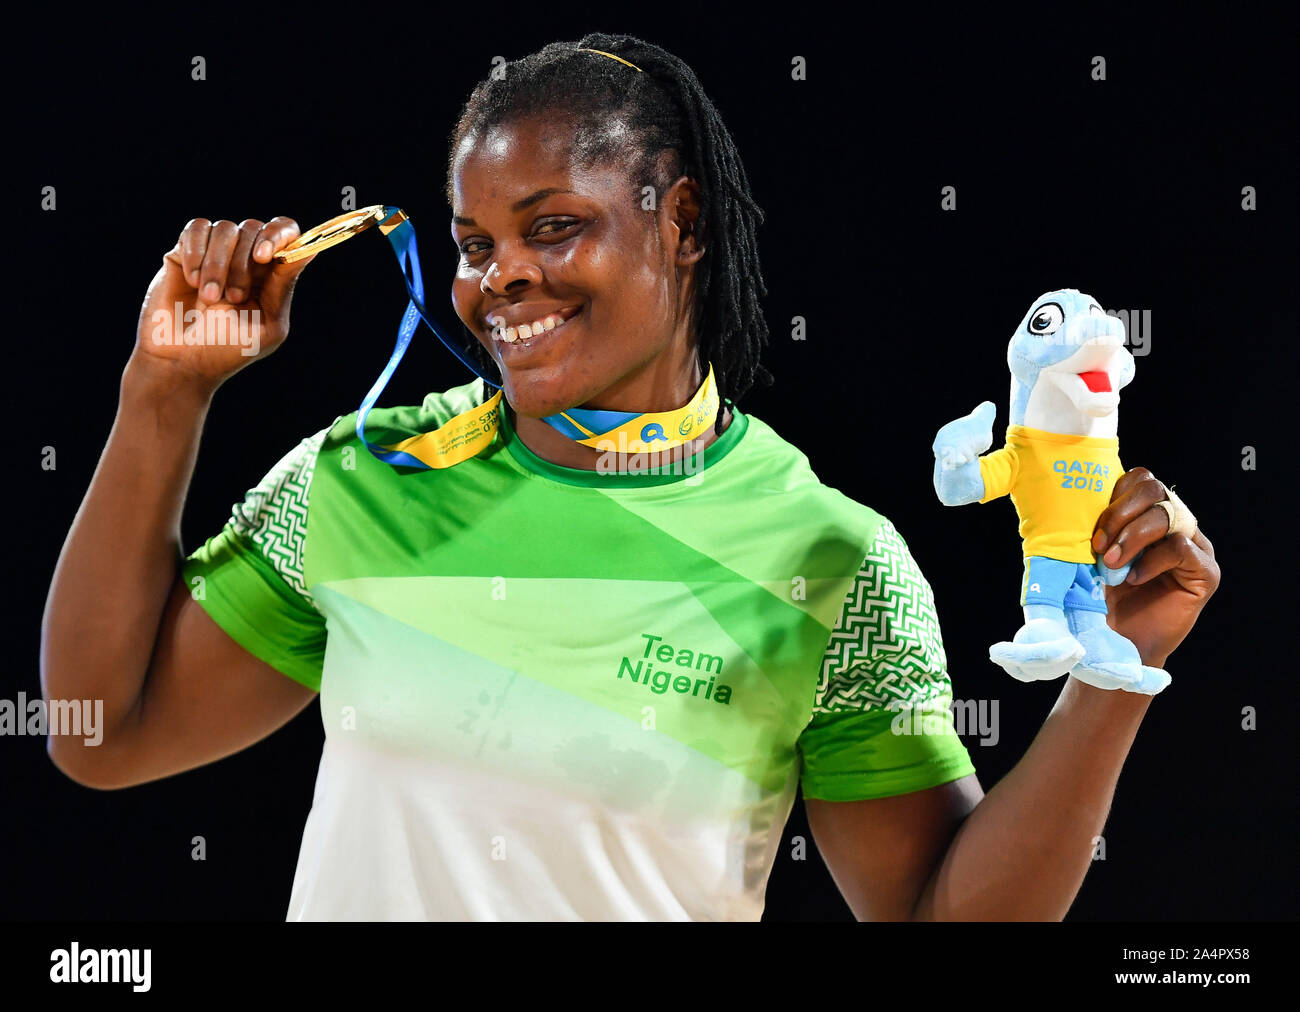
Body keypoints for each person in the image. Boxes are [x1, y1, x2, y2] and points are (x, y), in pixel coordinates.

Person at [40, 34, 1220, 921]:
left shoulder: (831, 561)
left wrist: (1115, 672)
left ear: (682, 221)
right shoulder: (363, 480)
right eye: (472, 243)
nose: (499, 279)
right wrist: (165, 393)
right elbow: (100, 732)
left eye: (551, 227)